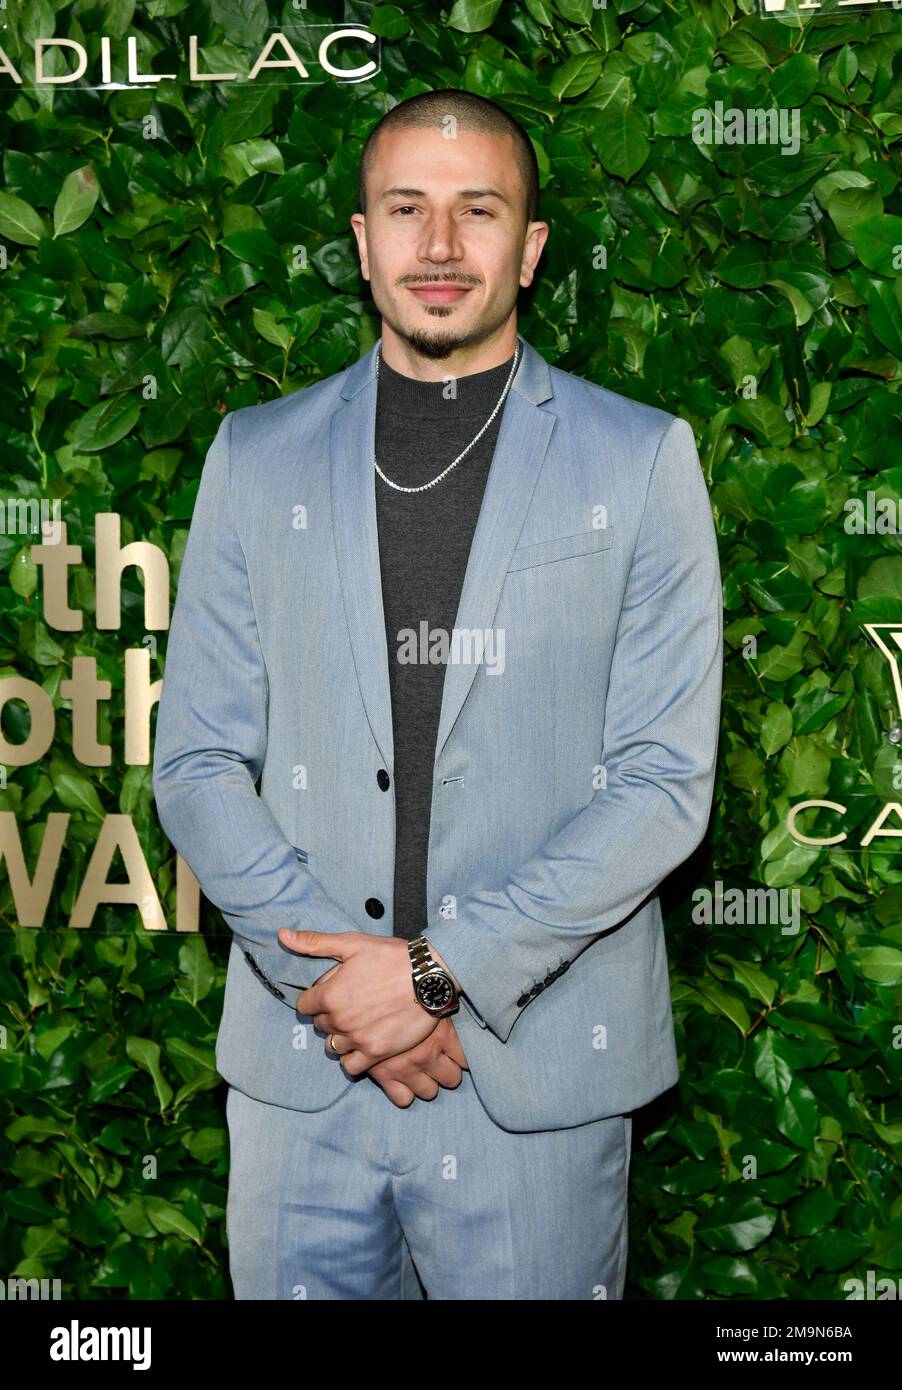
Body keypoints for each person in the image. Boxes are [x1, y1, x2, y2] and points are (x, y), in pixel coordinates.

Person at [151, 88, 723, 1300]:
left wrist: (431, 973)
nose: (442, 245)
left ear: (530, 249)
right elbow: (197, 762)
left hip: (533, 1085)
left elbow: (663, 786)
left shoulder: (639, 458)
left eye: (479, 210)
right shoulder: (255, 458)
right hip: (306, 1075)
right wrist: (336, 988)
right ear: (362, 243)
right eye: (406, 209)